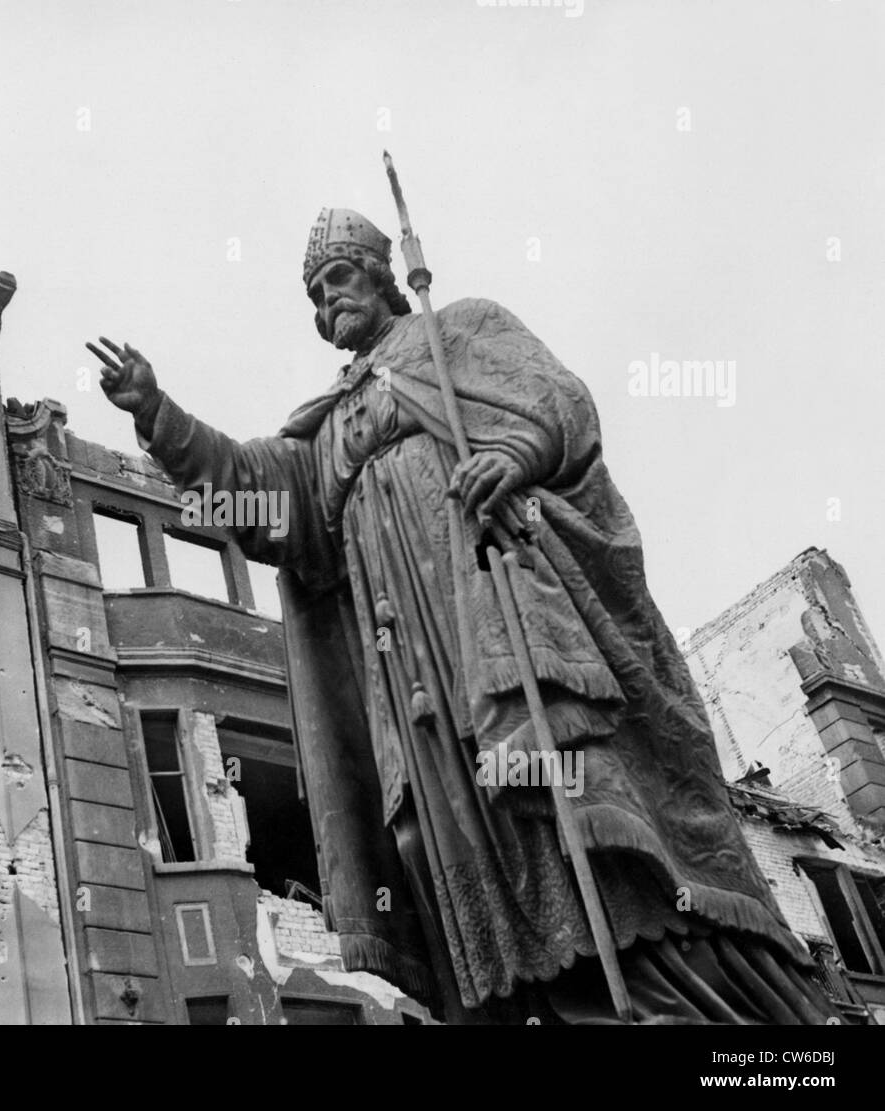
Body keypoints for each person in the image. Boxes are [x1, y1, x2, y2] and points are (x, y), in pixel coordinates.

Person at [95, 208, 837, 1024]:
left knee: (556, 811)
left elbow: (561, 405)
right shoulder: (327, 427)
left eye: (337, 278)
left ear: (382, 273)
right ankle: (543, 1000)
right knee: (453, 841)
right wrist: (158, 415)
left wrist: (514, 454)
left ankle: (668, 1001)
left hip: (493, 628)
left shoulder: (459, 333)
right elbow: (250, 488)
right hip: (408, 681)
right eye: (313, 294)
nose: (324, 304)